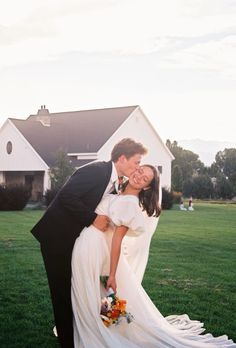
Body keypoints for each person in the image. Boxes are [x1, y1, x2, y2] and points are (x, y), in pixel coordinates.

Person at [71, 165, 236, 348]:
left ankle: (108, 332)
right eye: (140, 171)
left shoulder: (130, 204)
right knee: (97, 294)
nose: (139, 176)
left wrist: (112, 275)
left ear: (147, 187)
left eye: (145, 179)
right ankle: (109, 329)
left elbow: (117, 241)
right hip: (95, 248)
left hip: (102, 252)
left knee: (102, 294)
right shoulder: (118, 193)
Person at [31, 138, 147, 348]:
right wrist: (92, 218)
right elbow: (66, 196)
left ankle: (109, 328)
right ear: (122, 158)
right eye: (137, 162)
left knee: (102, 289)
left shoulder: (120, 184)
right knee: (62, 291)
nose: (138, 168)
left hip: (92, 245)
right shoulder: (97, 171)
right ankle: (69, 341)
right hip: (58, 237)